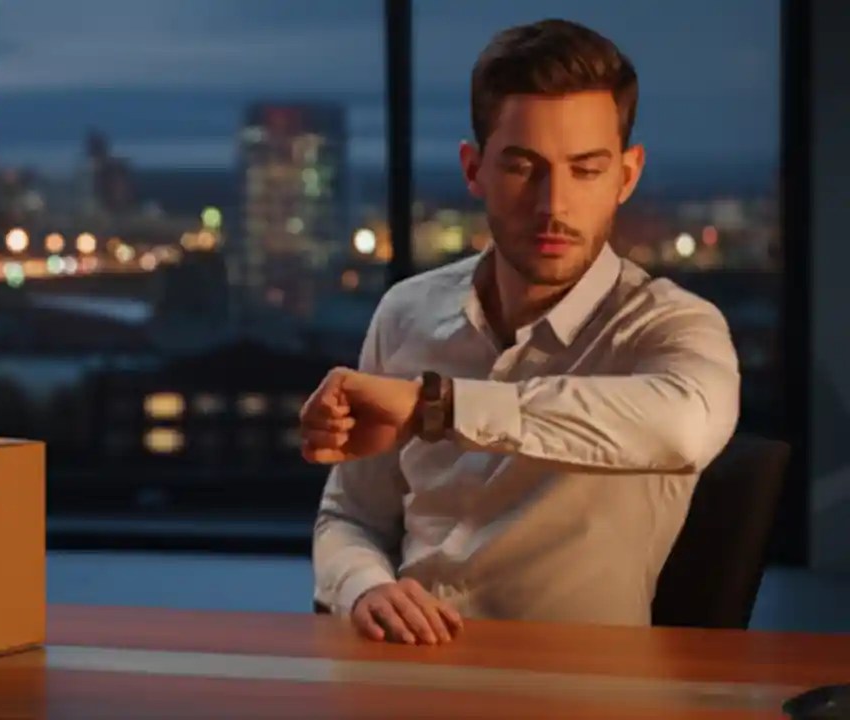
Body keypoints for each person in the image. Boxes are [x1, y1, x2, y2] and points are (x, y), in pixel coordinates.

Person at [302, 18, 740, 645]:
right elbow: (350, 515)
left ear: (627, 174)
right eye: (522, 167)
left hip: (579, 692)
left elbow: (684, 426)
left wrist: (441, 407)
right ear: (474, 169)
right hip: (408, 679)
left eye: (586, 170)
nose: (552, 205)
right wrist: (364, 586)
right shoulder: (407, 312)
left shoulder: (670, 325)